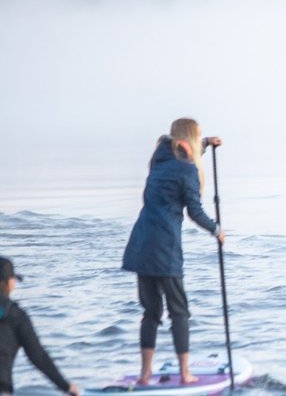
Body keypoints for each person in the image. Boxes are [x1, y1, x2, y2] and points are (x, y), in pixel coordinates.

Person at [121, 118, 226, 386]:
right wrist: (217, 230)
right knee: (179, 312)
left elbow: (174, 148)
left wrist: (203, 144)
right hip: (165, 248)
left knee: (151, 313)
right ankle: (185, 374)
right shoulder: (186, 171)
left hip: (141, 244)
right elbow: (194, 211)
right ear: (187, 141)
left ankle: (145, 375)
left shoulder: (158, 159)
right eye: (198, 136)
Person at [0, 258, 80, 395]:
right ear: (6, 282)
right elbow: (38, 356)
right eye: (13, 280)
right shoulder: (15, 315)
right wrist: (66, 387)